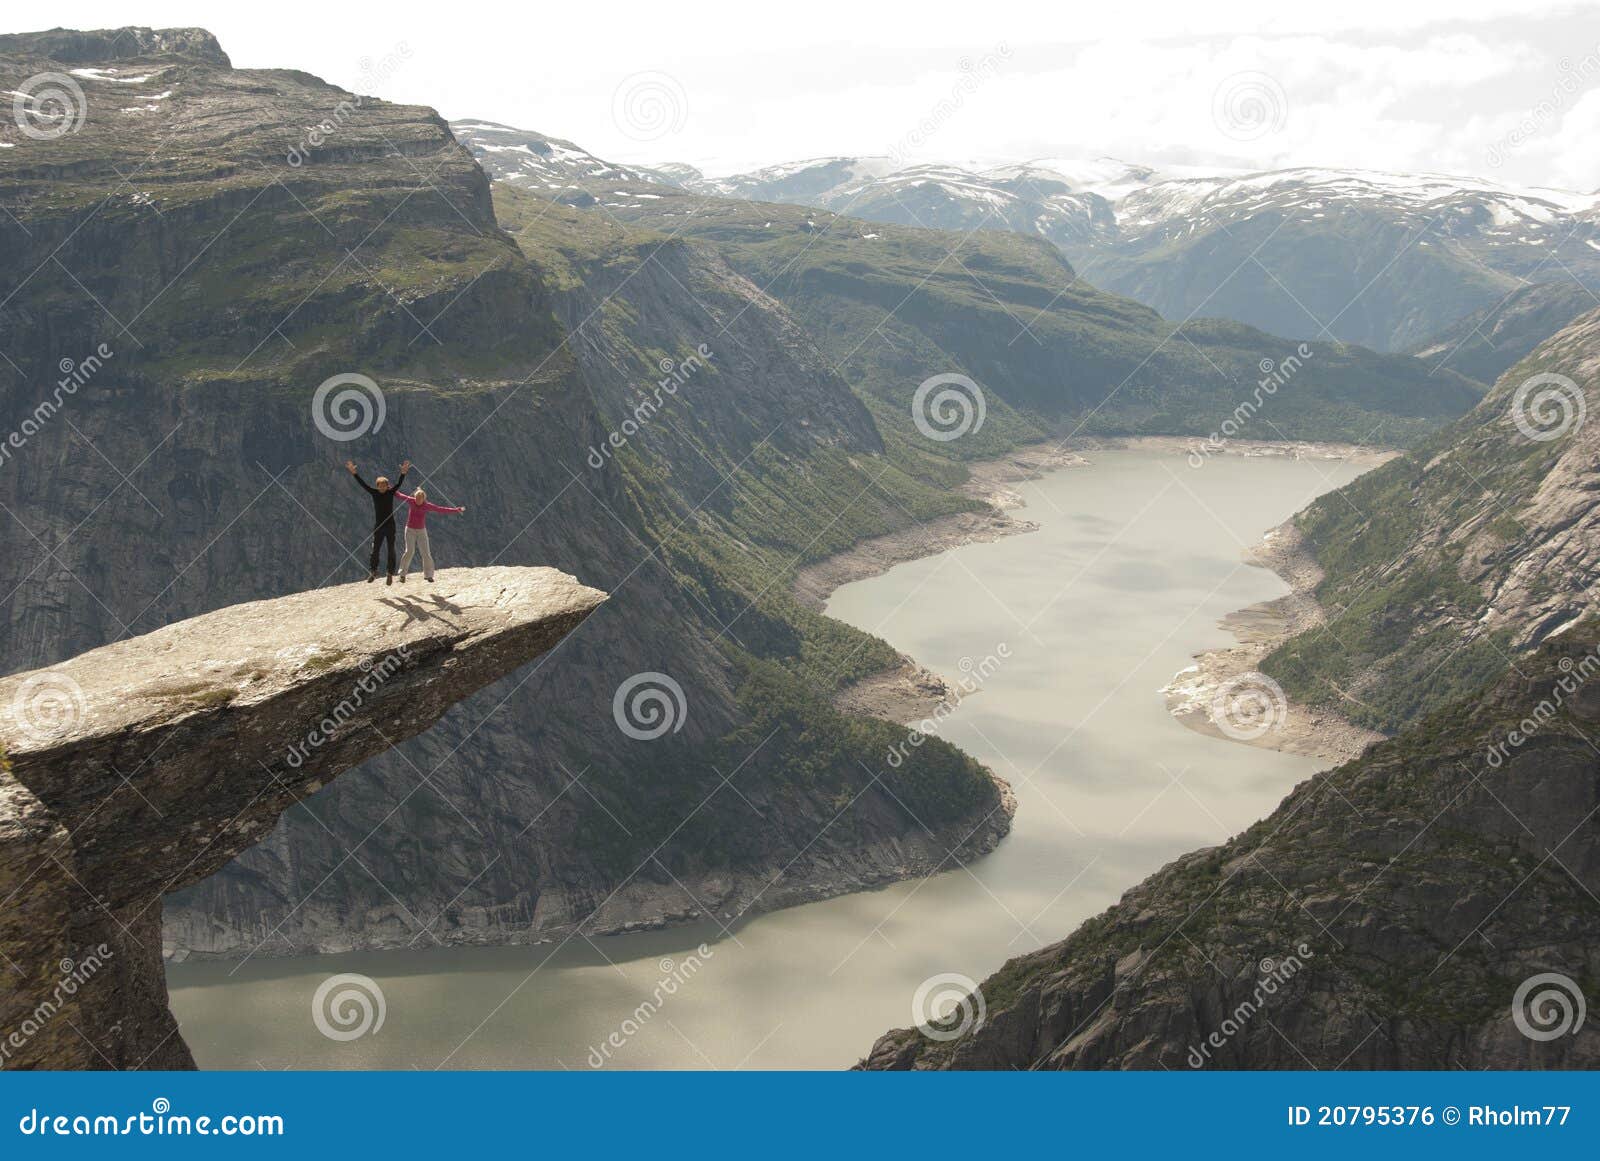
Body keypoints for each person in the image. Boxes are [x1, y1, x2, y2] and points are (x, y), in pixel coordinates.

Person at [346, 459, 411, 585]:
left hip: (390, 526)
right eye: (380, 486)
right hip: (379, 526)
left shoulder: (391, 492)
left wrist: (403, 472)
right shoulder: (374, 493)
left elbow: (399, 484)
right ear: (377, 486)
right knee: (375, 549)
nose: (382, 488)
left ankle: (389, 573)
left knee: (391, 549)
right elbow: (363, 484)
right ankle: (373, 571)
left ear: (387, 486)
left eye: (384, 486)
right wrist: (354, 473)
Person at [395, 487, 466, 583]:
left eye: (420, 499)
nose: (417, 501)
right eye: (416, 498)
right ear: (414, 497)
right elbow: (400, 495)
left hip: (421, 531)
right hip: (410, 530)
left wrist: (456, 510)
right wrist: (388, 487)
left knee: (426, 553)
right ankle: (402, 574)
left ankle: (428, 575)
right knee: (409, 551)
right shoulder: (411, 501)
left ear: (423, 499)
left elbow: (441, 509)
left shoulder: (427, 505)